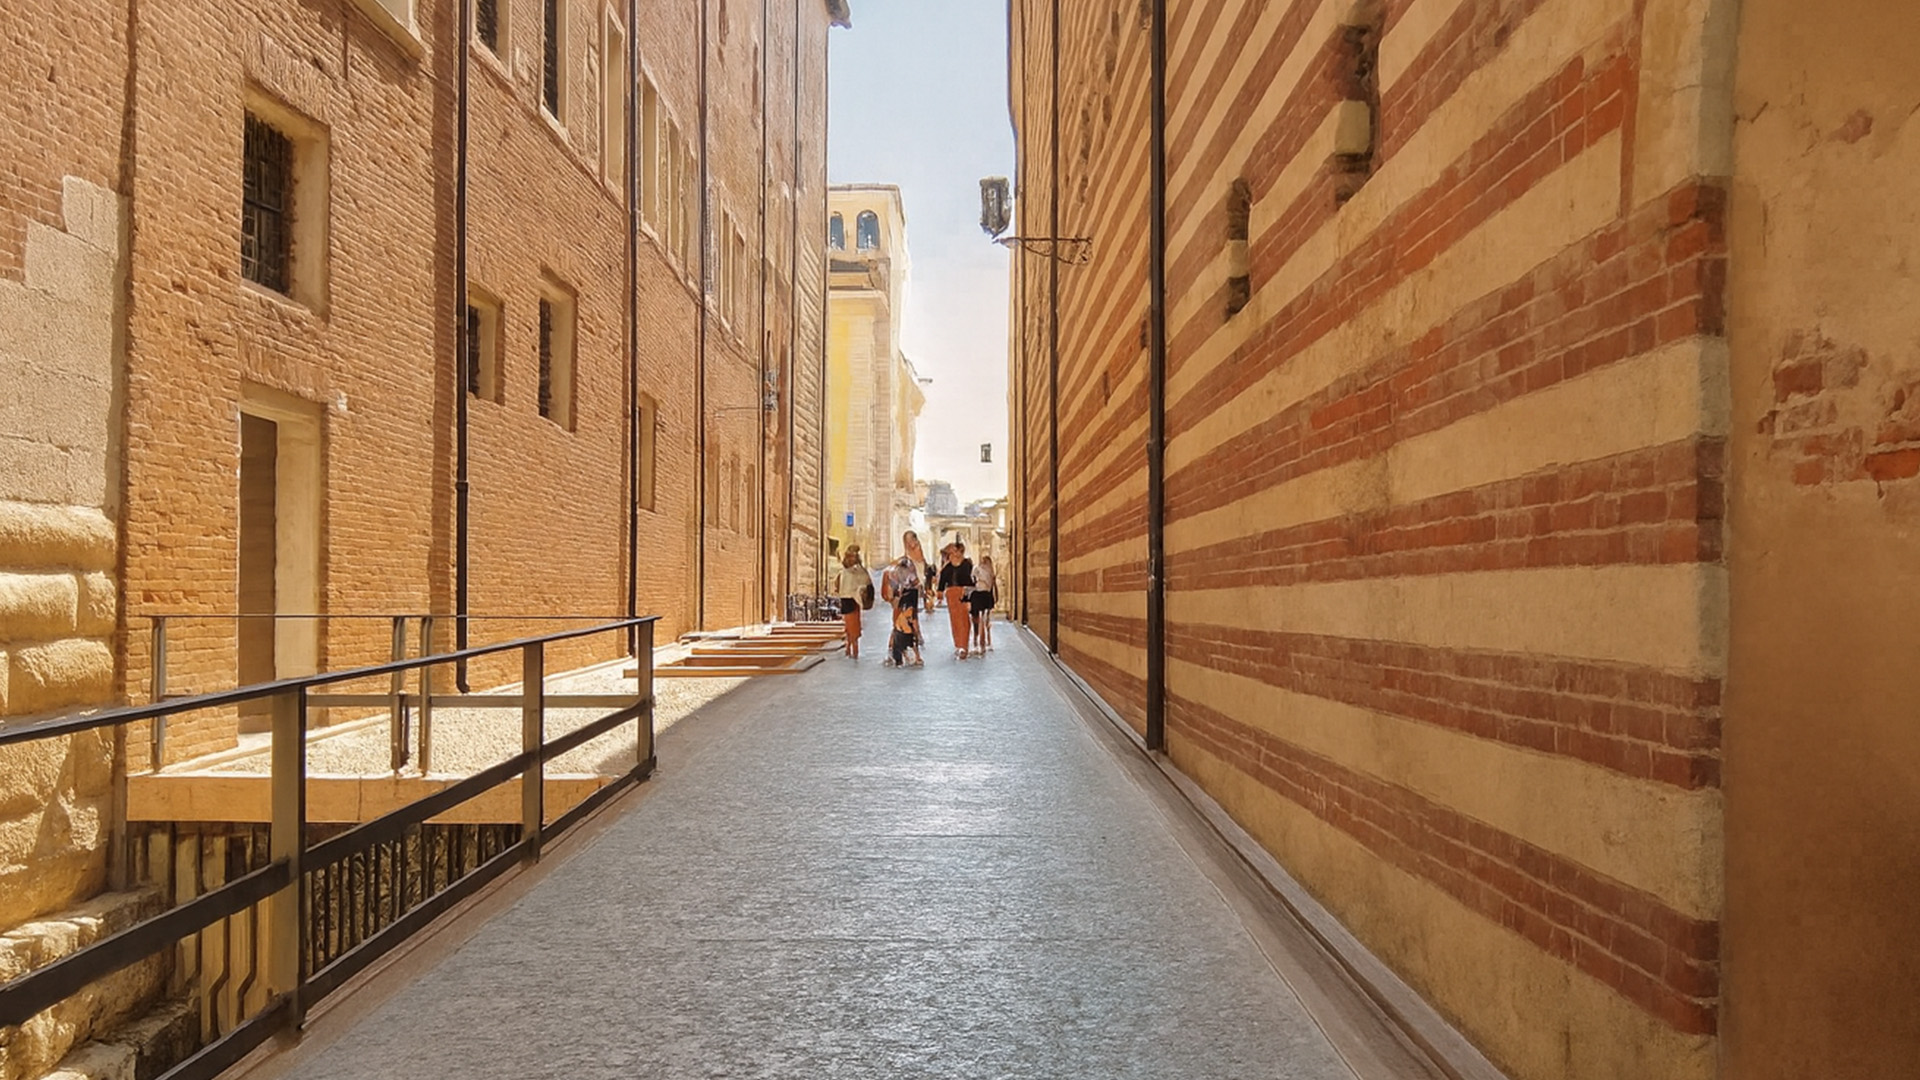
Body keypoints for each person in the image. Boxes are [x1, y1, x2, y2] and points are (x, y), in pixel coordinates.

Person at [880, 556, 924, 666]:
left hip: (903, 600)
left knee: (899, 626)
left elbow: (890, 593)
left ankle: (894, 653)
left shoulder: (894, 573)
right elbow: (916, 584)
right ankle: (908, 654)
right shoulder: (901, 573)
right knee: (905, 626)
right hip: (906, 599)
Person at [936, 541, 975, 660]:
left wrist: (969, 598)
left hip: (963, 592)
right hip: (951, 594)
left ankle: (964, 645)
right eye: (951, 552)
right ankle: (958, 644)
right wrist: (940, 593)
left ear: (960, 551)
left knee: (964, 619)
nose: (952, 554)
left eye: (954, 551)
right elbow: (942, 582)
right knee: (954, 619)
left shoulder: (967, 564)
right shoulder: (947, 567)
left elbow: (971, 582)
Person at [831, 545, 867, 659]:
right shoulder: (854, 571)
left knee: (850, 625)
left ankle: (850, 647)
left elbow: (837, 586)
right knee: (852, 625)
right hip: (851, 599)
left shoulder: (846, 571)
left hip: (848, 599)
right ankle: (852, 648)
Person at [886, 573, 921, 668]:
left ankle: (893, 656)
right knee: (906, 641)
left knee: (900, 639)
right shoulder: (909, 600)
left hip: (902, 627)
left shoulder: (902, 595)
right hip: (904, 627)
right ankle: (913, 658)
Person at [970, 554, 998, 654]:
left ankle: (976, 641)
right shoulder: (991, 572)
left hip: (978, 595)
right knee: (985, 619)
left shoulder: (976, 569)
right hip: (987, 596)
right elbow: (993, 586)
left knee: (976, 619)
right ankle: (985, 642)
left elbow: (972, 581)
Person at [902, 530, 934, 615]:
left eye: (911, 541)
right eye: (907, 542)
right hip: (912, 597)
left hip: (922, 596)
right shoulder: (906, 564)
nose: (909, 544)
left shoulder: (925, 565)